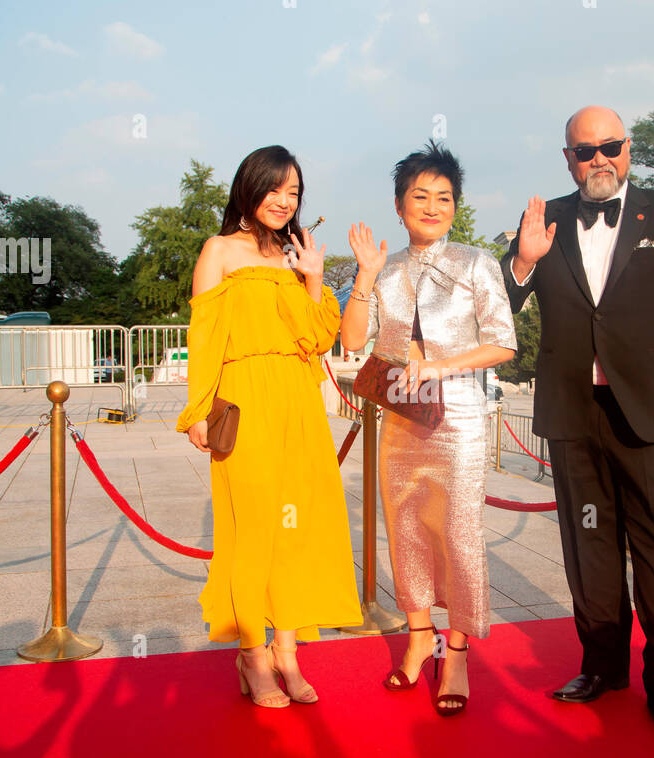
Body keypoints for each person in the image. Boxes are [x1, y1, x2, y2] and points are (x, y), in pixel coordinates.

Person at [499, 106, 654, 735]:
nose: (599, 158)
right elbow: (500, 306)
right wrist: (523, 261)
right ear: (566, 159)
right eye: (584, 150)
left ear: (629, 148)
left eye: (610, 146)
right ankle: (601, 666)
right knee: (588, 548)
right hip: (573, 409)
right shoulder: (546, 222)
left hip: (652, 411)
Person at [176, 145, 362, 708]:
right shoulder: (220, 251)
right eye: (274, 189)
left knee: (295, 532)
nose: (284, 201)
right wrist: (199, 411)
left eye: (294, 193)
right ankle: (252, 656)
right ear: (248, 189)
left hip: (298, 404)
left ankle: (288, 652)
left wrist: (313, 278)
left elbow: (318, 339)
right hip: (246, 399)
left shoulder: (294, 254)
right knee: (253, 533)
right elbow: (204, 338)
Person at [340, 139, 517, 717]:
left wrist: (441, 365)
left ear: (456, 207)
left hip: (460, 417)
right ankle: (420, 636)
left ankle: (458, 650)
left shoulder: (476, 263)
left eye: (444, 197)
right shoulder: (384, 269)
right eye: (421, 196)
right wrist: (365, 275)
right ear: (399, 205)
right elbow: (351, 342)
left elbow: (502, 343)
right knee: (407, 527)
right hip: (400, 418)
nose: (433, 206)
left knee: (460, 530)